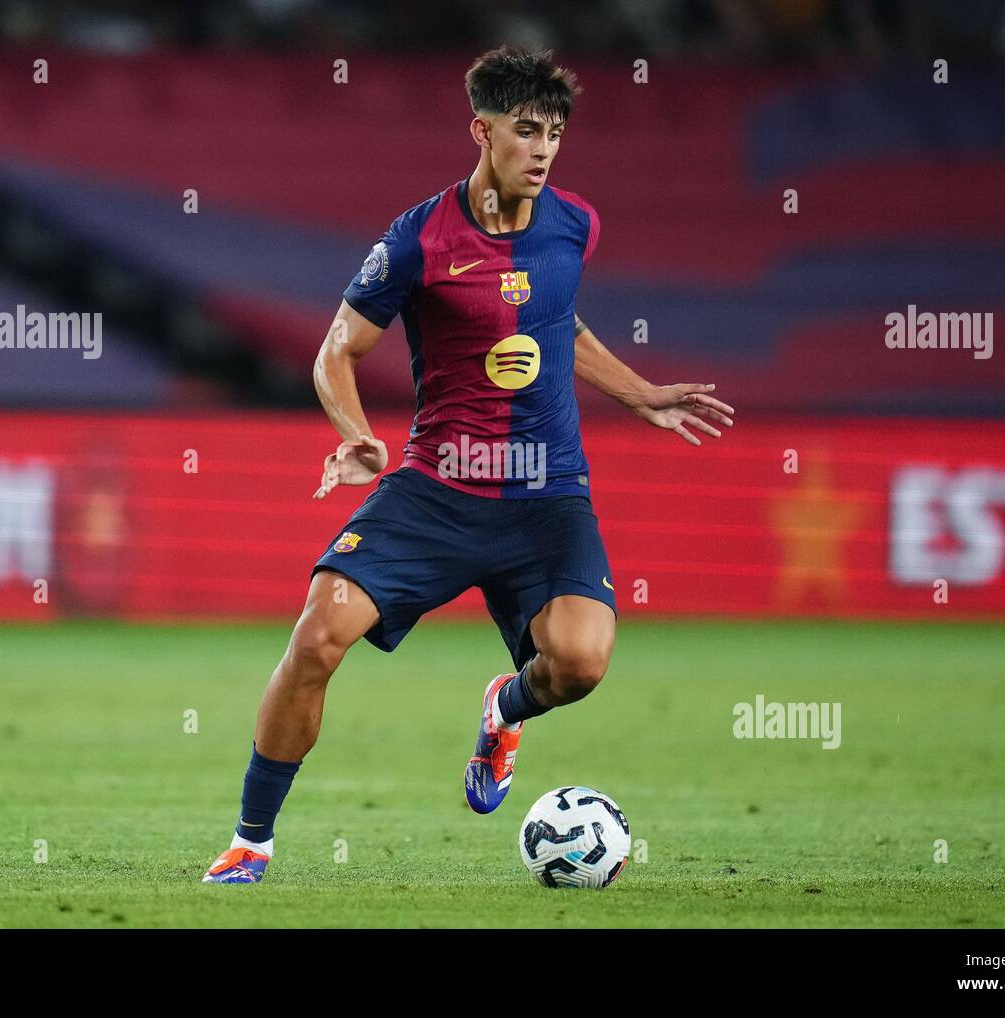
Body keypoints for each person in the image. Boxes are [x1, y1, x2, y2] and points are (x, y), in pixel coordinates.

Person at [204, 45, 734, 883]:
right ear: (481, 131)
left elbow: (559, 322)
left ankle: (505, 707)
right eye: (527, 131)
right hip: (438, 489)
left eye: (556, 133)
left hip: (547, 496)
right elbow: (336, 351)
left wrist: (637, 393)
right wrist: (355, 433)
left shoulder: (574, 225)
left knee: (580, 663)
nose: (545, 149)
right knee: (317, 635)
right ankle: (250, 841)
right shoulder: (418, 240)